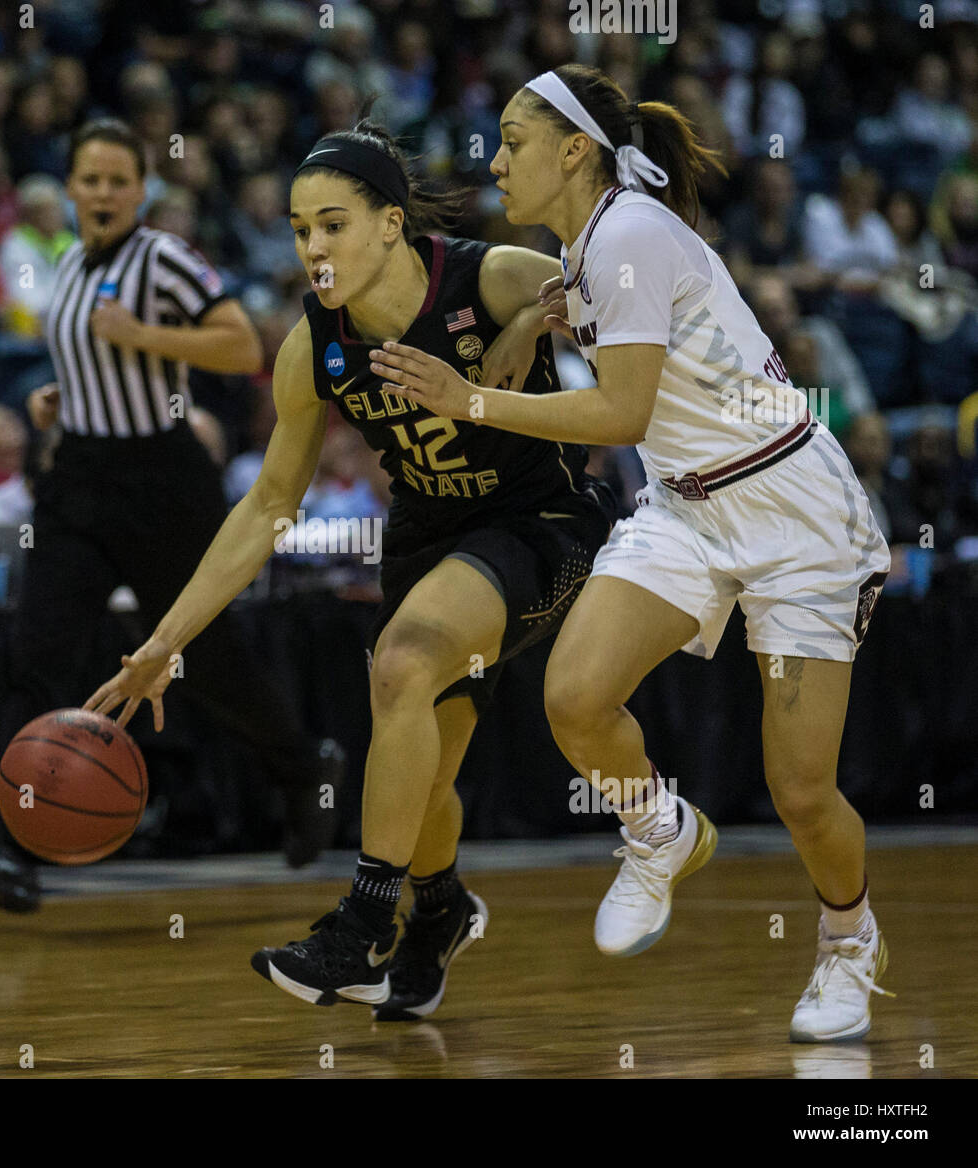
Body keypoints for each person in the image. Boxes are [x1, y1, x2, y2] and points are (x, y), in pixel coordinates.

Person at [371, 64, 894, 1043]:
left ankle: (846, 939)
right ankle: (657, 828)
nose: (494, 158)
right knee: (572, 697)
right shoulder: (581, 248)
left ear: (574, 149)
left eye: (513, 140)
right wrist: (532, 321)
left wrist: (467, 399)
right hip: (686, 508)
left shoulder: (630, 234)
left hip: (794, 514)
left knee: (800, 790)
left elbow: (620, 412)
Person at [85, 111, 615, 1019]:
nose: (313, 246)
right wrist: (162, 643)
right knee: (422, 776)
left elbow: (624, 293)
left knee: (402, 666)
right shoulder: (313, 347)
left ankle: (364, 925)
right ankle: (439, 910)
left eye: (332, 223)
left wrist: (535, 315)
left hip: (542, 524)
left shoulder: (485, 277)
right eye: (298, 229)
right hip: (428, 537)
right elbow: (266, 508)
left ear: (390, 222)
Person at [0, 117, 349, 914]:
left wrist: (138, 335)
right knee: (40, 653)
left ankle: (303, 767)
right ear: (70, 185)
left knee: (202, 655)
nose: (102, 192)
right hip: (79, 476)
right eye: (88, 178)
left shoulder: (161, 256)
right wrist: (62, 396)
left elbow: (237, 346)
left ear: (140, 187)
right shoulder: (66, 264)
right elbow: (95, 359)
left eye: (117, 179)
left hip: (161, 480)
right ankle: (9, 846)